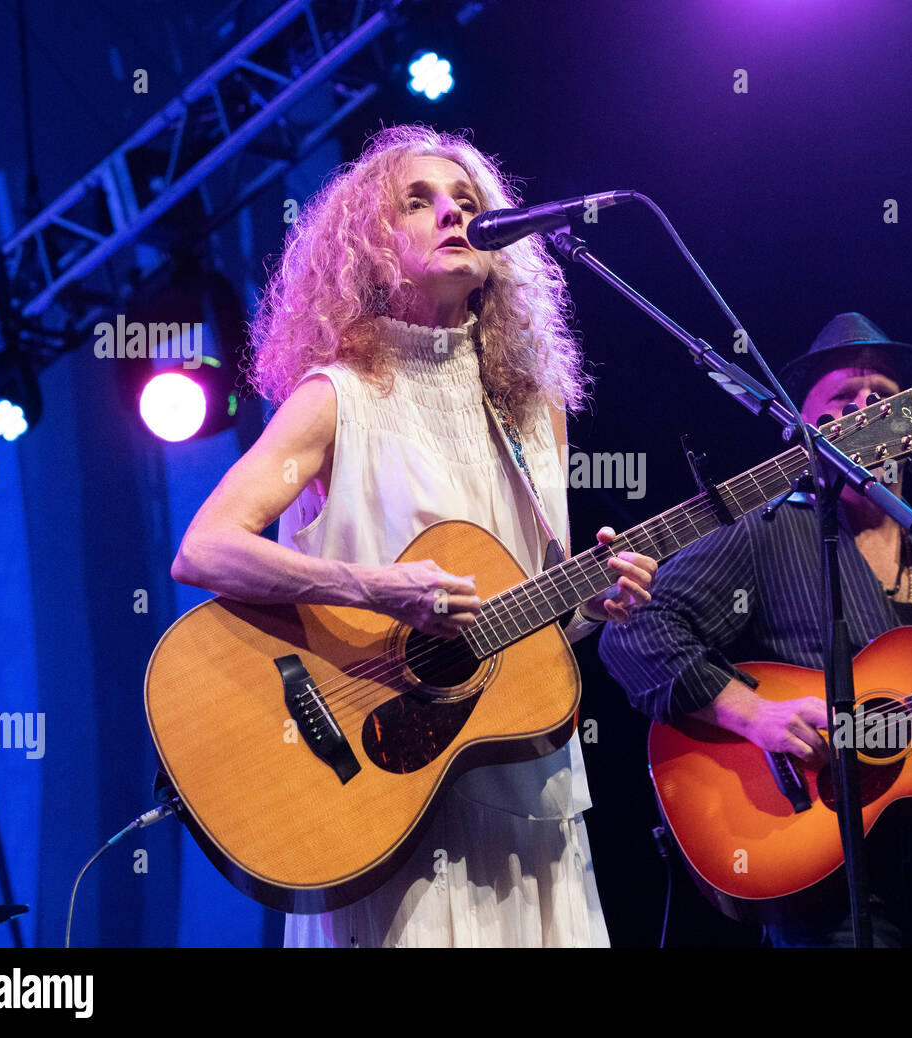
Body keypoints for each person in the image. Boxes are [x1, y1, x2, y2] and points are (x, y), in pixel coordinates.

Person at [170, 124, 656, 947]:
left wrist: (593, 600)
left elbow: (529, 619)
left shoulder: (537, 414)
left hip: (522, 792)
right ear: (370, 242)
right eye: (420, 202)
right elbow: (203, 549)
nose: (453, 215)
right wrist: (373, 587)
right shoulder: (335, 399)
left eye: (469, 203)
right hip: (375, 783)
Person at [598, 312, 912, 947]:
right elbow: (633, 630)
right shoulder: (761, 533)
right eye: (845, 398)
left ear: (909, 421)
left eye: (882, 397)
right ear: (807, 430)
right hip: (828, 891)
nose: (867, 408)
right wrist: (753, 714)